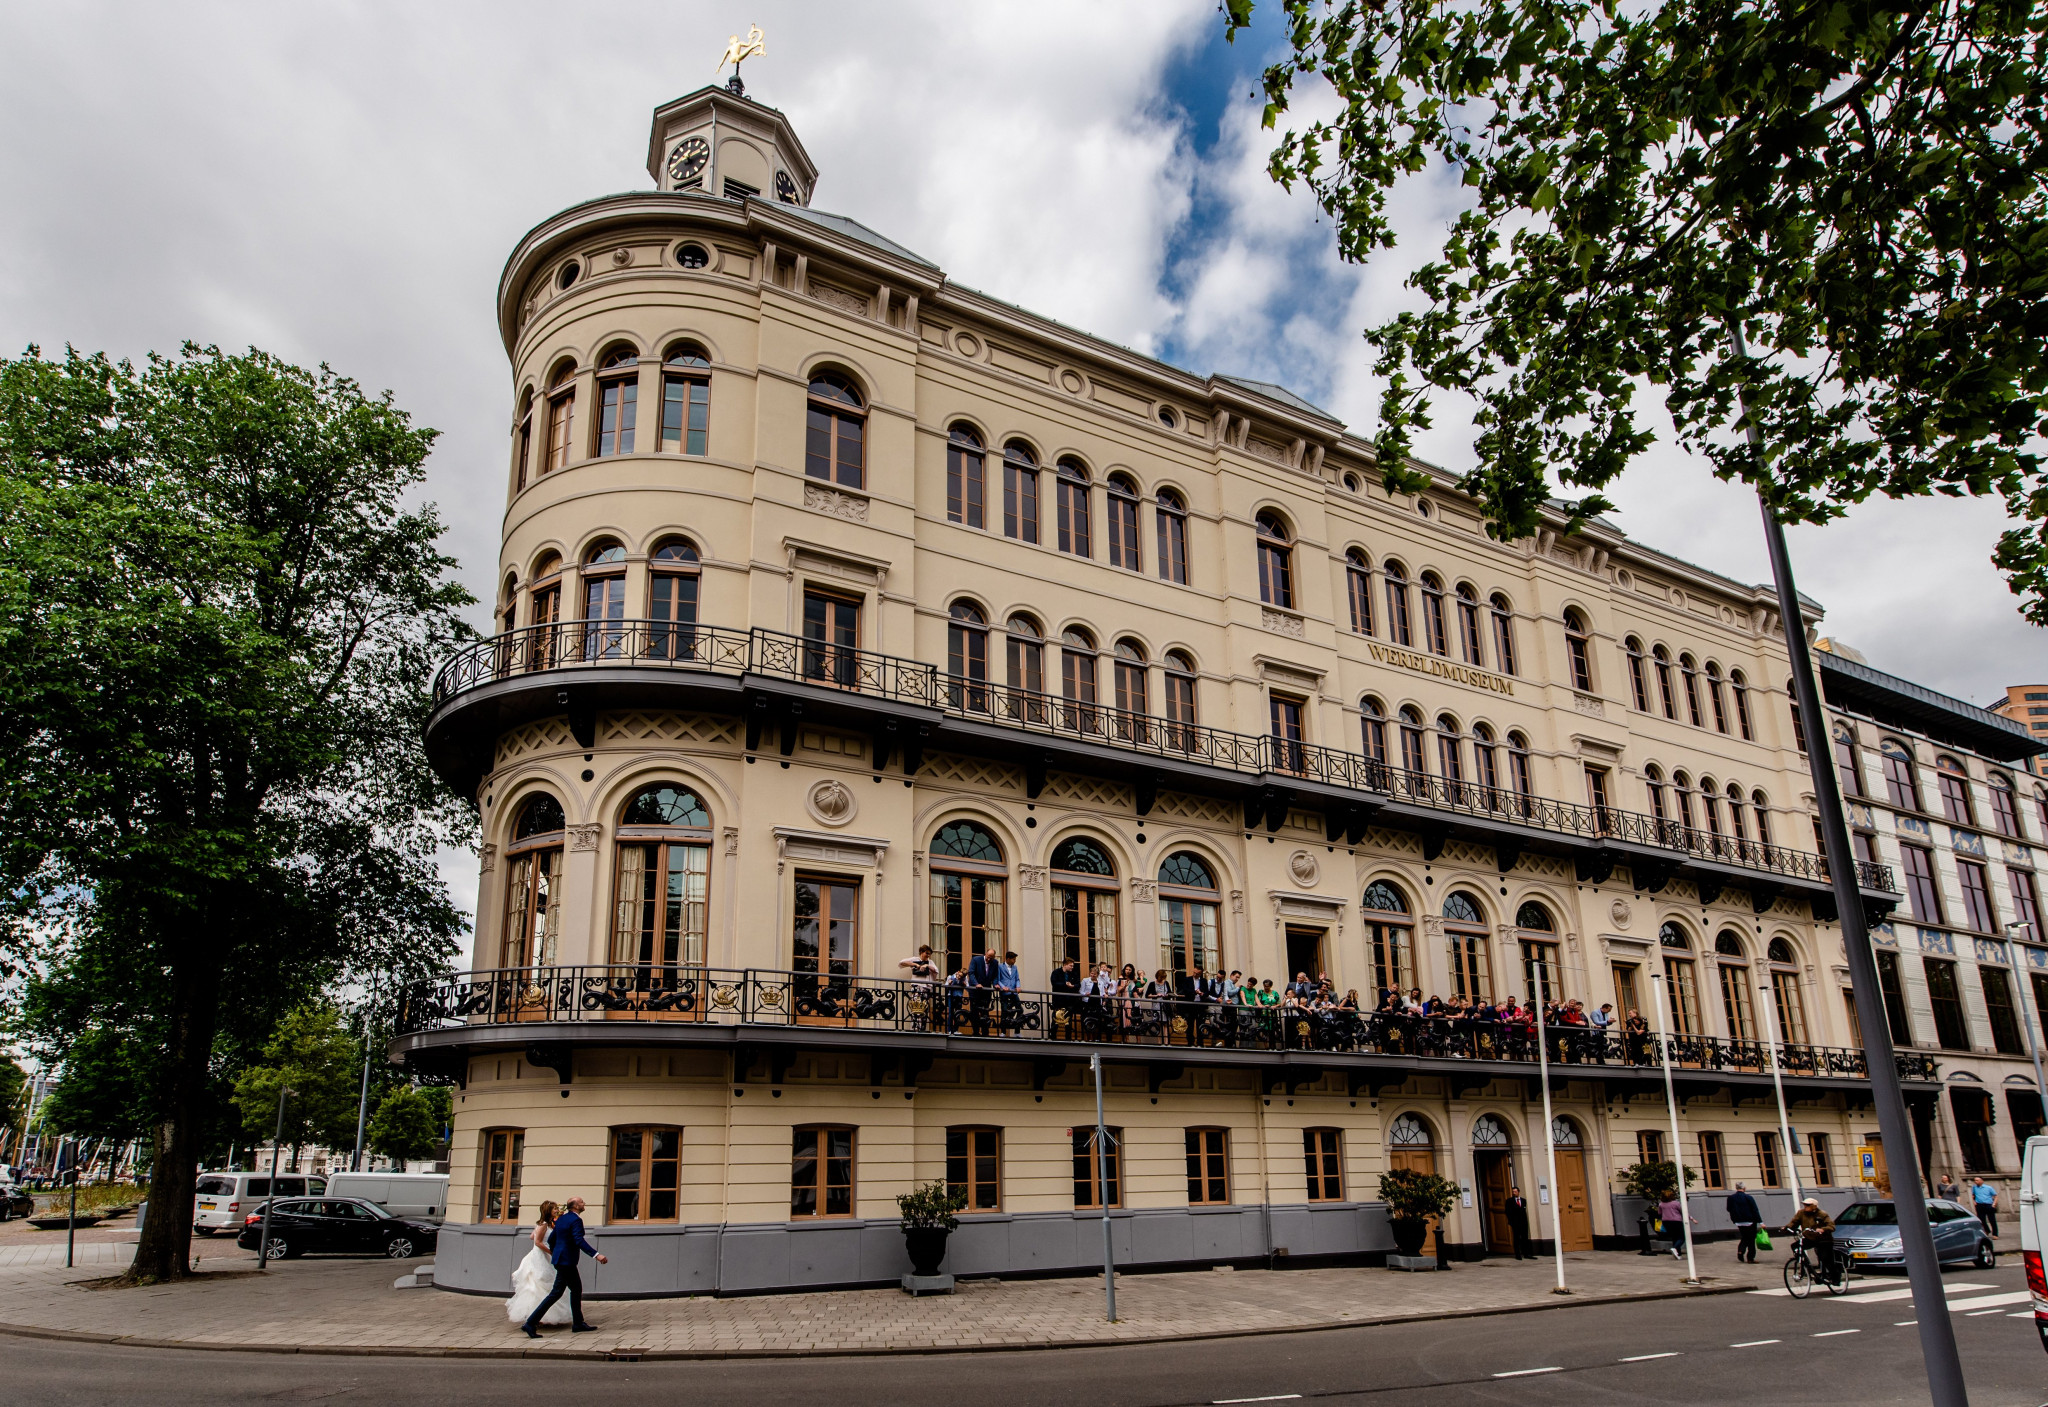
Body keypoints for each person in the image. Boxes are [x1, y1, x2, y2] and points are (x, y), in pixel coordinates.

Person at [520, 1195, 607, 1337]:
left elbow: (553, 1238)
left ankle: (578, 1323)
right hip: (567, 1261)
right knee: (558, 1293)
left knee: (573, 1289)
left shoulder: (563, 1219)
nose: (584, 1203)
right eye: (581, 1202)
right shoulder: (575, 1220)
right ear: (576, 1206)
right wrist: (596, 1255)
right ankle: (531, 1323)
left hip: (561, 1260)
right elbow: (579, 1240)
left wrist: (556, 1252)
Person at [506, 1201, 573, 1326]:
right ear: (548, 1210)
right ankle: (537, 1316)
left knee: (547, 1282)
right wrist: (551, 1251)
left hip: (542, 1254)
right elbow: (537, 1241)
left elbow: (532, 1236)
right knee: (539, 1283)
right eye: (554, 1209)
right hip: (540, 1256)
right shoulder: (543, 1225)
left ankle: (541, 1316)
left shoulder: (547, 1224)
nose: (557, 1210)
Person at [1784, 1197, 1838, 1283]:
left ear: (1814, 1206)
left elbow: (1831, 1226)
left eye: (1808, 1205)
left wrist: (1823, 1229)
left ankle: (1834, 1277)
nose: (1805, 1206)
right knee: (1795, 1246)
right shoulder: (1801, 1213)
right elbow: (1794, 1222)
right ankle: (1803, 1265)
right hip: (1810, 1238)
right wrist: (1787, 1228)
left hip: (1823, 1239)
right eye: (1805, 1205)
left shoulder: (1822, 1214)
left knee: (1824, 1258)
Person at [1726, 1182, 1762, 1264]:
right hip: (1750, 1221)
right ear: (1744, 1188)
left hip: (1738, 1221)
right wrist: (1761, 1222)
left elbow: (1728, 1209)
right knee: (1751, 1238)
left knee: (1745, 1236)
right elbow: (1755, 1210)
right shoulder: (1748, 1197)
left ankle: (1741, 1251)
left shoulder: (1731, 1198)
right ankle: (1750, 1258)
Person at [965, 947, 998, 1037]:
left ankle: (985, 1032)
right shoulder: (976, 960)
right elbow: (971, 973)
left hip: (986, 992)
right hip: (975, 992)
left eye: (991, 957)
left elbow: (995, 976)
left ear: (994, 957)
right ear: (985, 954)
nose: (989, 959)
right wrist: (976, 984)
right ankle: (975, 1032)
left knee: (985, 1012)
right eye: (988, 956)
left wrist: (995, 984)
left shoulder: (995, 963)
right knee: (974, 1012)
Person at [995, 950, 1022, 1033]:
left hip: (1013, 992)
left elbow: (1017, 979)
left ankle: (1017, 1032)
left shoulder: (1015, 967)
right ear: (1008, 959)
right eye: (1013, 959)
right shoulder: (1000, 967)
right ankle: (1003, 1032)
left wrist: (1018, 986)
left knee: (1020, 1010)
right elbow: (998, 980)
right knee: (1005, 1011)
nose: (1015, 961)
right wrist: (1003, 987)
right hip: (1004, 993)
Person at [1503, 1185, 1532, 1260]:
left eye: (1515, 1191)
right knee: (1516, 1238)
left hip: (1523, 1222)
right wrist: (1511, 1221)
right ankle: (1518, 1254)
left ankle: (1526, 1253)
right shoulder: (1509, 1201)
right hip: (1515, 1223)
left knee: (1525, 1238)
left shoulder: (1523, 1200)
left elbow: (1523, 1211)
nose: (1514, 1193)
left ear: (1518, 1192)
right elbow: (1507, 1212)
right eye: (1513, 1191)